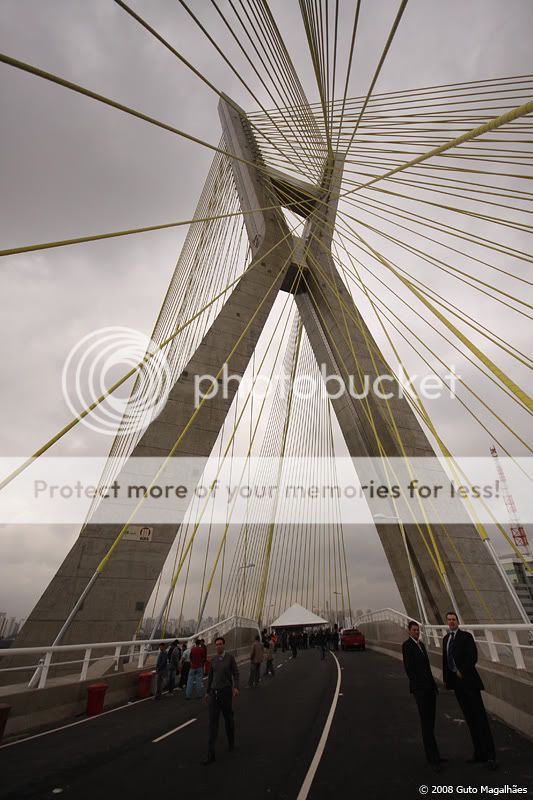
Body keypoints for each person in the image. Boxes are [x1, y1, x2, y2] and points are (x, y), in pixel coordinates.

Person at [442, 611, 497, 770]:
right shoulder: (446, 639)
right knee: (471, 721)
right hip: (458, 686)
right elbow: (446, 661)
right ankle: (478, 753)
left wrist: (462, 671)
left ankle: (490, 756)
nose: (451, 622)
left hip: (469, 684)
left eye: (454, 619)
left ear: (458, 621)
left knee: (480, 720)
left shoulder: (466, 637)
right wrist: (447, 680)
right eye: (449, 620)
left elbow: (472, 657)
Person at [402, 621, 442, 770]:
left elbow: (426, 668)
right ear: (409, 631)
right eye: (414, 630)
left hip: (430, 690)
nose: (416, 632)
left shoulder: (422, 645)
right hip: (421, 691)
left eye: (418, 630)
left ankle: (436, 754)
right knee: (426, 724)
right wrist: (418, 689)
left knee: (431, 723)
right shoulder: (407, 646)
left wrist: (433, 686)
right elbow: (409, 669)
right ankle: (432, 758)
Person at [203, 635, 240, 765]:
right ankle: (210, 754)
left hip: (225, 693)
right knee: (212, 724)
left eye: (220, 644)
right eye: (217, 644)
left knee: (228, 719)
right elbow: (210, 677)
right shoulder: (213, 660)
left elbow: (236, 673)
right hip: (214, 693)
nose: (218, 646)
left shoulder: (230, 658)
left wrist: (236, 687)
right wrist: (207, 692)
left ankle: (231, 743)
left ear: (224, 645)